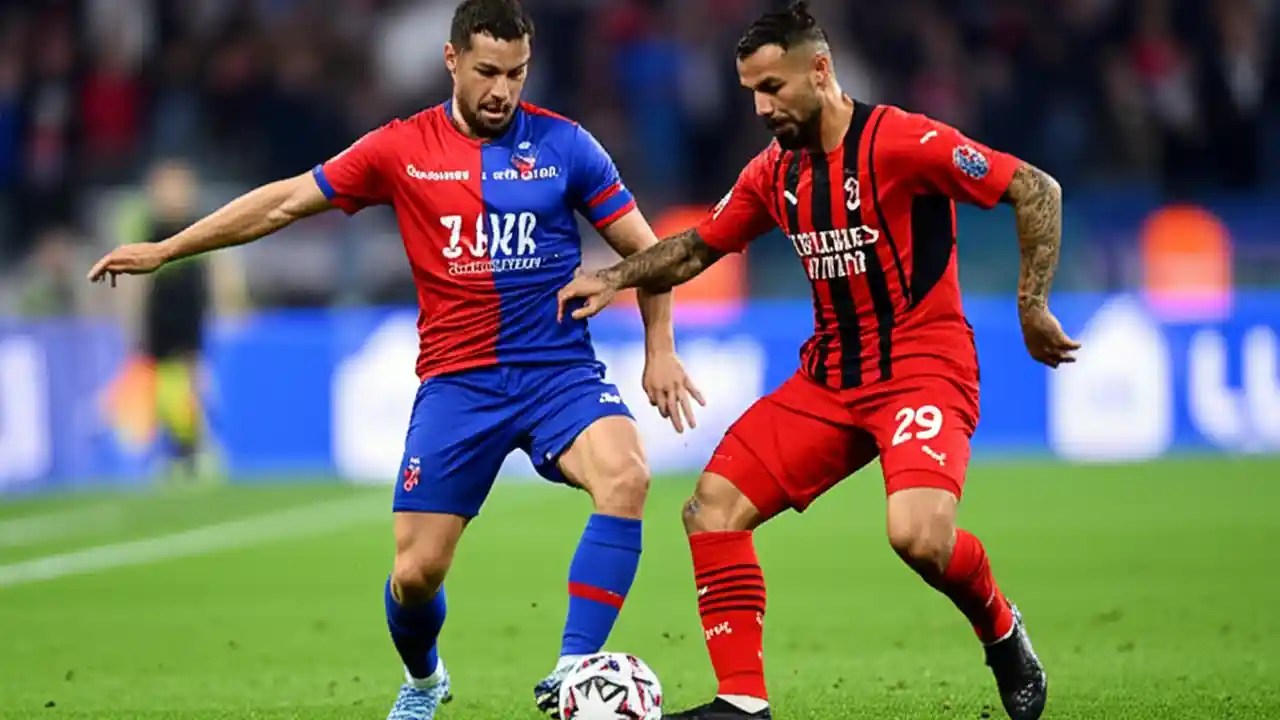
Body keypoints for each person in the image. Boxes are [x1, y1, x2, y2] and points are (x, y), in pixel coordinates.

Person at [87, 2, 703, 720]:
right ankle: (424, 679)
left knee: (627, 476)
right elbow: (285, 203)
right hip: (459, 385)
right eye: (487, 72)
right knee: (415, 574)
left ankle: (573, 670)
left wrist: (660, 348)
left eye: (516, 73)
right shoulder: (400, 148)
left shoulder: (567, 147)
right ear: (452, 61)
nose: (502, 90)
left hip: (557, 375)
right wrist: (167, 249)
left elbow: (650, 252)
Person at [556, 3, 1077, 719]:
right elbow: (698, 247)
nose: (762, 107)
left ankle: (1001, 629)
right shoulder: (774, 172)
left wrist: (1032, 305)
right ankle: (743, 702)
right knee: (711, 510)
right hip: (829, 381)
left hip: (922, 369)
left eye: (773, 87)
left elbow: (1035, 188)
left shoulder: (903, 142)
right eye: (752, 92)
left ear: (821, 70)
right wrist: (614, 277)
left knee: (919, 538)